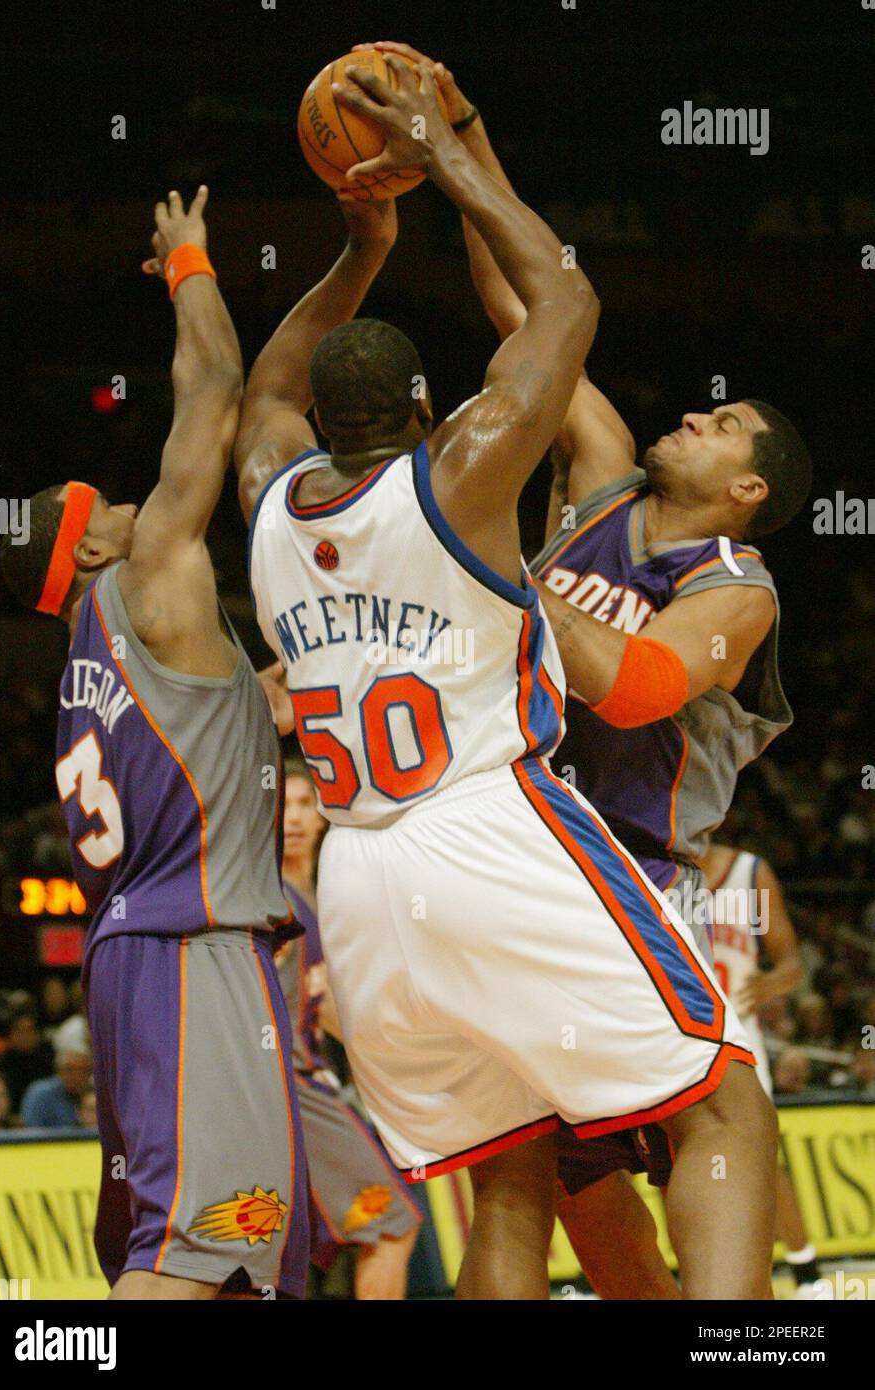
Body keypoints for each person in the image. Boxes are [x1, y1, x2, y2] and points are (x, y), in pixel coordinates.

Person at [237, 55, 775, 1300]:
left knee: (515, 1178)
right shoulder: (498, 472)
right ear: (438, 409)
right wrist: (455, 146)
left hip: (371, 878)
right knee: (716, 1106)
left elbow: (267, 386)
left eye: (725, 424)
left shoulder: (271, 498)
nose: (696, 421)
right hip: (503, 832)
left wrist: (369, 233)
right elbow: (548, 312)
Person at [0, 187, 307, 1301]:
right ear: (86, 551)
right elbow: (216, 386)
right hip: (195, 957)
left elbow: (198, 740)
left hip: (131, 966)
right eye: (105, 503)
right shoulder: (151, 574)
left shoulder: (94, 659)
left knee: (196, 1258)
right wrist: (189, 262)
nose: (130, 500)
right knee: (200, 1254)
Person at [280, 759, 422, 1299]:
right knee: (389, 1223)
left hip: (287, 1088)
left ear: (321, 815)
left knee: (252, 1253)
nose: (291, 818)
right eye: (280, 805)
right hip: (290, 1086)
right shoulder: (272, 898)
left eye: (301, 804)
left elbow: (328, 1011)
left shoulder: (320, 897)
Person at [702, 843, 821, 1295]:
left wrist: (771, 982)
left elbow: (791, 963)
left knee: (761, 1159)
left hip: (739, 1037)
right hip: (675, 1036)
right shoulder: (649, 866)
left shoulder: (749, 871)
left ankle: (806, 1271)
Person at [0, 1006, 55, 1110]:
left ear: (38, 1035)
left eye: (29, 1031)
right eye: (20, 1031)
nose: (25, 1036)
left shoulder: (50, 1062)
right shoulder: (0, 1065)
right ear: (10, 1034)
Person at [21, 1046, 92, 1128]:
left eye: (83, 1070)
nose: (76, 1076)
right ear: (58, 1070)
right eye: (70, 1069)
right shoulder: (40, 1094)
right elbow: (32, 1131)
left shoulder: (96, 1094)